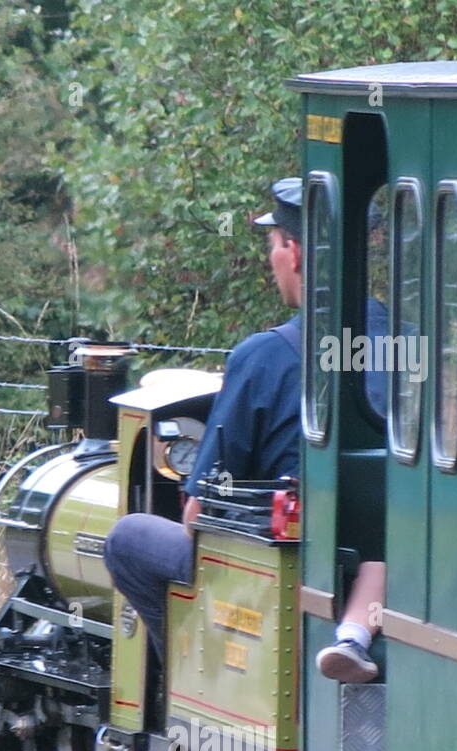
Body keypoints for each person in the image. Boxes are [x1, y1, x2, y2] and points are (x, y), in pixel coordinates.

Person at [103, 177, 304, 664]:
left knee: (127, 540)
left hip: (280, 560)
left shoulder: (264, 357)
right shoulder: (407, 345)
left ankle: (189, 673)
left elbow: (198, 512)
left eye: (272, 245)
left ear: (294, 252)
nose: (270, 260)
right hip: (376, 560)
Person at [317, 353, 457, 683]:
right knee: (377, 569)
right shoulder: (419, 465)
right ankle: (352, 642)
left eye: (445, 398)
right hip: (419, 582)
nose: (427, 410)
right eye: (418, 399)